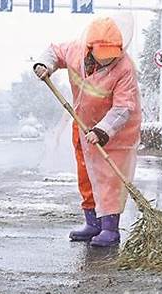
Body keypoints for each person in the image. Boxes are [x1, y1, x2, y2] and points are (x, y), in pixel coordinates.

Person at [33, 17, 141, 247]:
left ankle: (110, 229)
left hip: (116, 131)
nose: (109, 58)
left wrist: (103, 130)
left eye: (113, 52)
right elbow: (53, 51)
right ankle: (92, 223)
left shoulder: (124, 68)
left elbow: (123, 108)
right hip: (82, 123)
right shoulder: (75, 51)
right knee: (86, 173)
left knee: (110, 178)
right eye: (103, 52)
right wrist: (44, 65)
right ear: (89, 49)